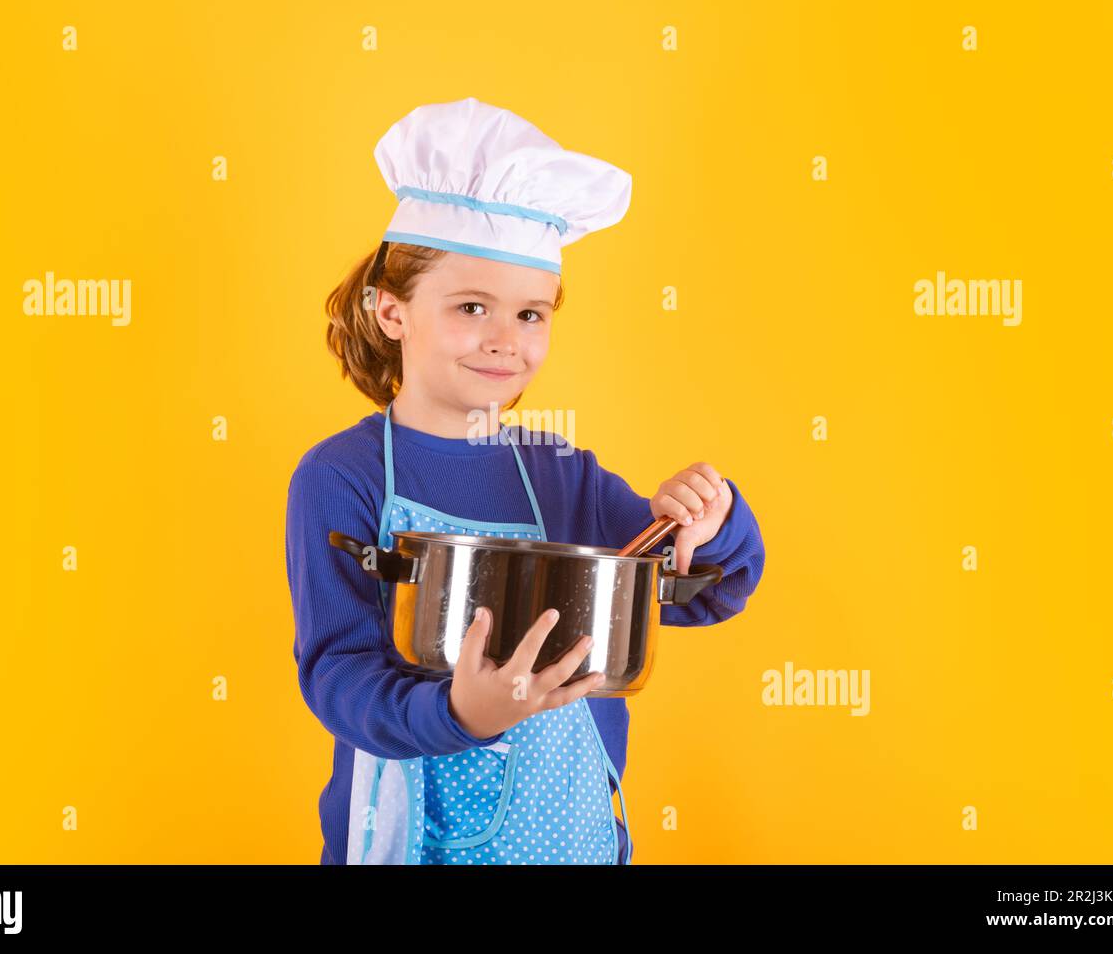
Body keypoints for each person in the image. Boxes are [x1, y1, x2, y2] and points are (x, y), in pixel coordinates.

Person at [285, 97, 766, 864]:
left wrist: (709, 524)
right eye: (473, 307)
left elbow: (708, 591)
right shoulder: (340, 476)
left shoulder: (560, 472)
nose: (506, 341)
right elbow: (338, 676)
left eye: (532, 314)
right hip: (409, 839)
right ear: (392, 312)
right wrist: (460, 712)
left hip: (574, 837)